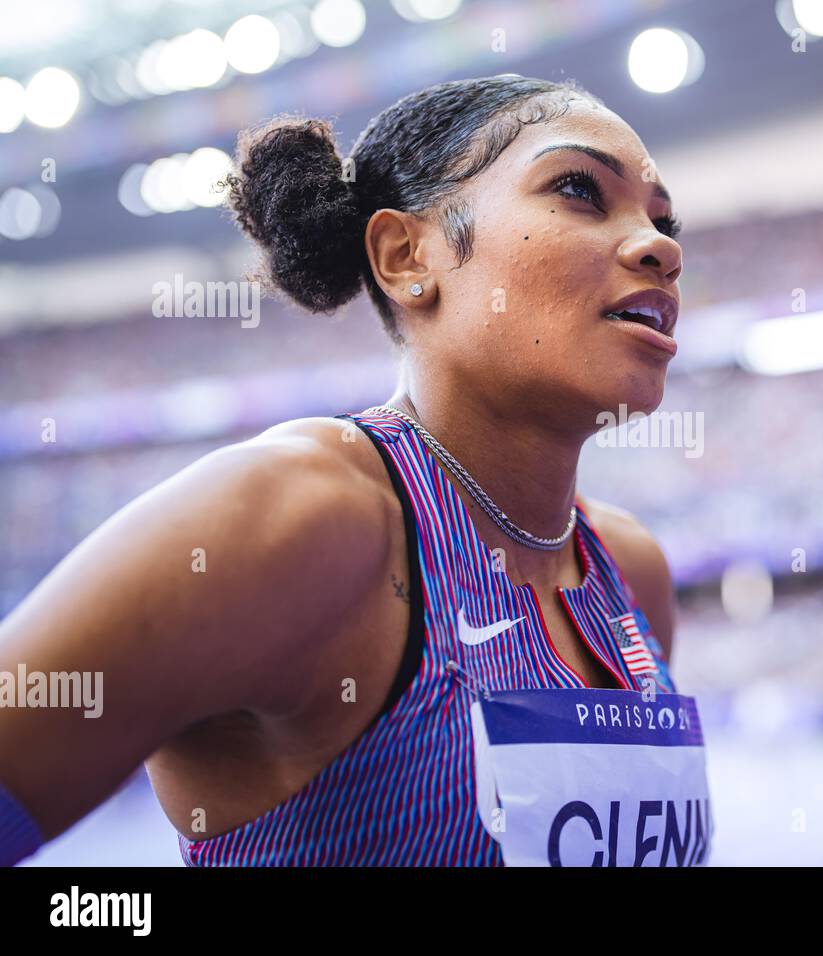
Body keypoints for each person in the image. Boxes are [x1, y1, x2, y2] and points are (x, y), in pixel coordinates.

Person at [0, 74, 690, 865]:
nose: (660, 247)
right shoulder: (297, 519)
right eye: (579, 190)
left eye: (665, 219)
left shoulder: (630, 571)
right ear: (405, 256)